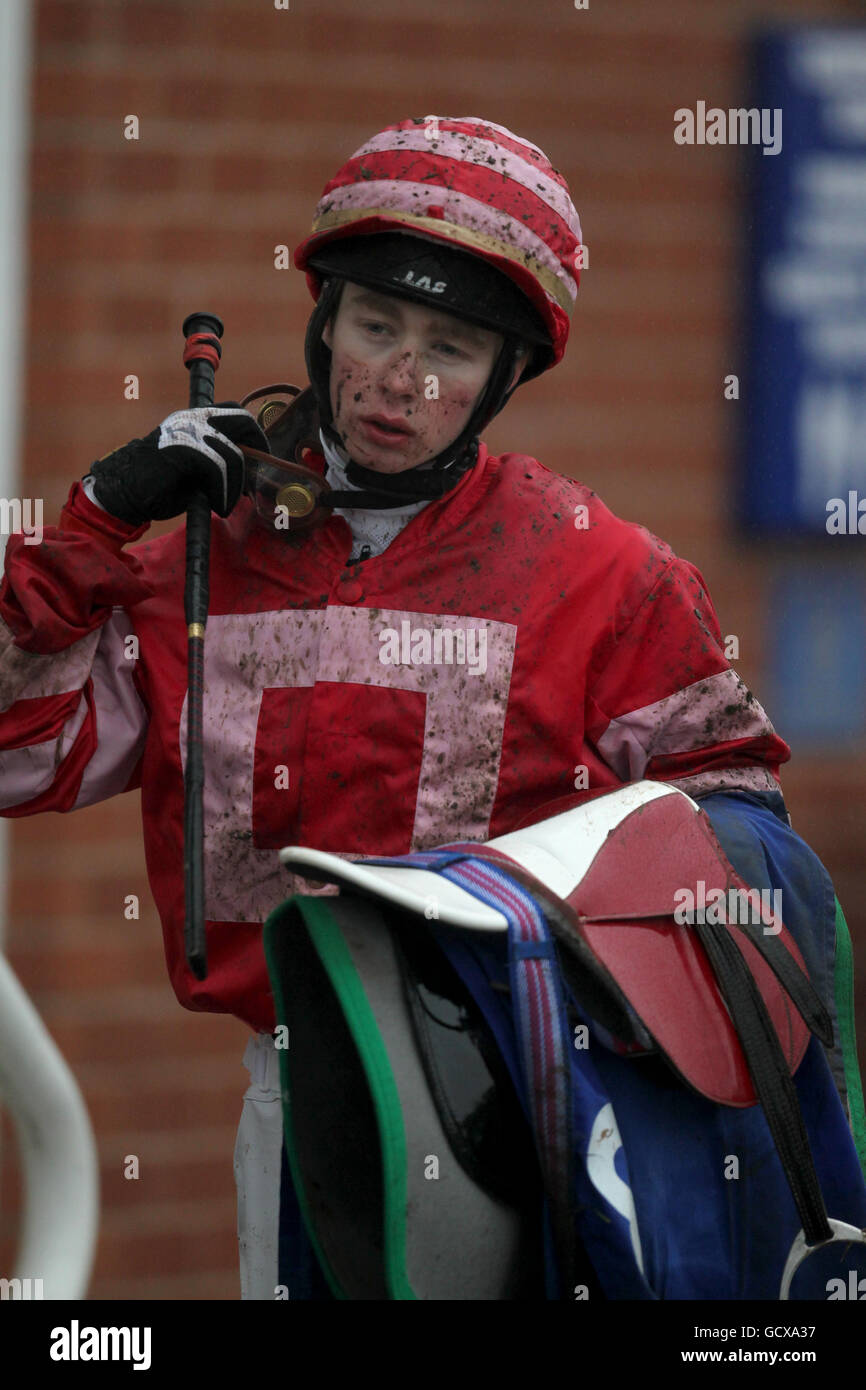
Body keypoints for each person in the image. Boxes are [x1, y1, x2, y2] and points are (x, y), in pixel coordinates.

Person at [0, 115, 859, 1300]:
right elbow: (19, 762)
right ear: (320, 323)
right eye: (374, 325)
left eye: (451, 348)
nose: (398, 381)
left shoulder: (609, 575)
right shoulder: (196, 565)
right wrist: (91, 525)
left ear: (509, 375)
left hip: (538, 1094)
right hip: (298, 1095)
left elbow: (738, 844)